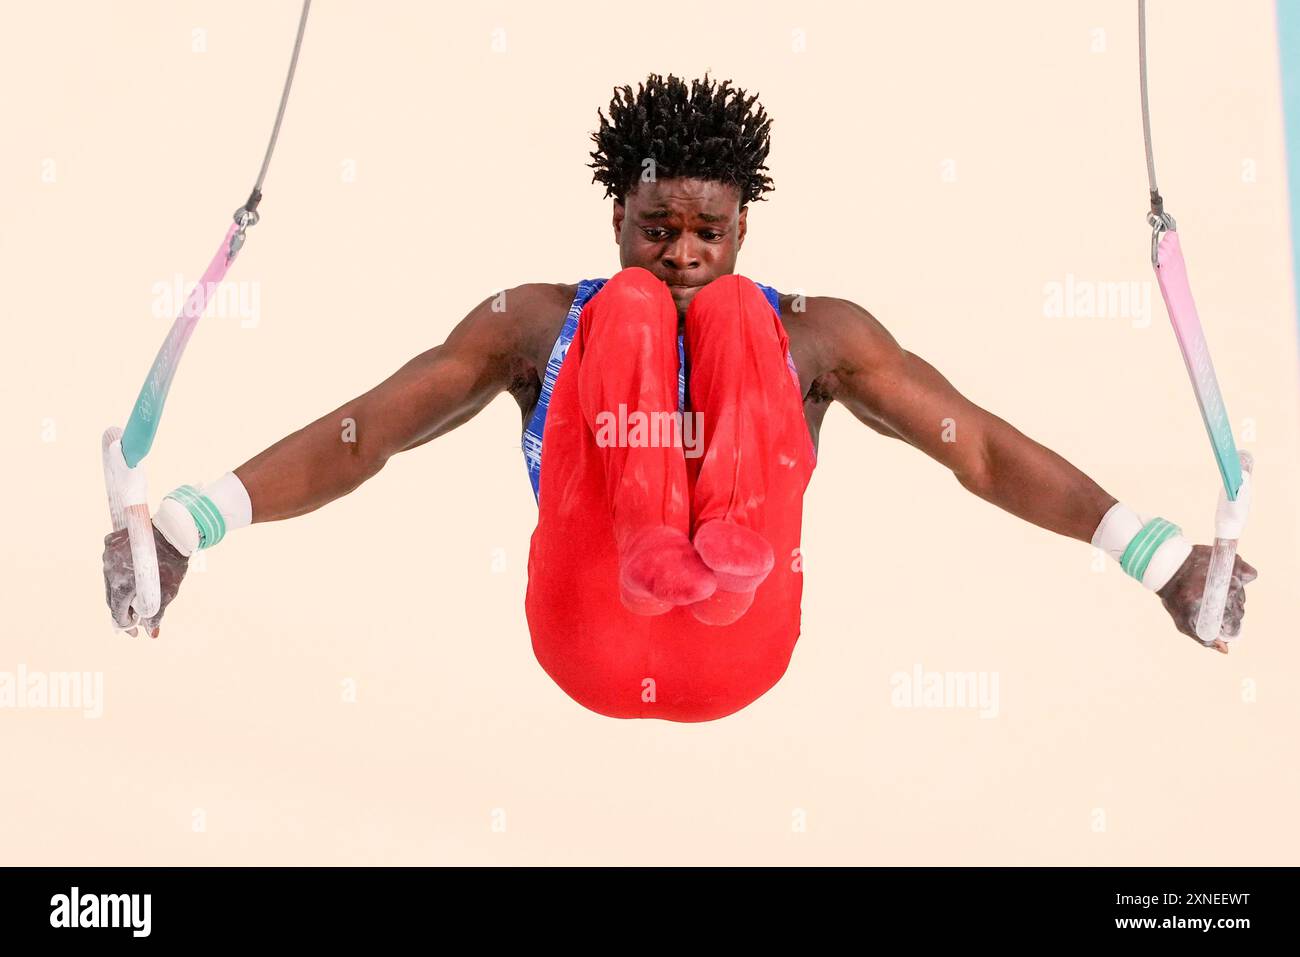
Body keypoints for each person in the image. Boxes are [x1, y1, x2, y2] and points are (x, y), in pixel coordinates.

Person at [102, 73, 1258, 723]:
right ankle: (661, 535)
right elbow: (376, 429)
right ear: (617, 218)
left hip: (739, 643)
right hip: (592, 620)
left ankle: (718, 539)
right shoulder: (540, 321)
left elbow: (982, 451)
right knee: (631, 315)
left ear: (745, 222)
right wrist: (190, 525)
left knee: (745, 320)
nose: (687, 252)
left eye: (711, 230)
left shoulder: (813, 335)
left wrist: (1156, 556)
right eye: (660, 229)